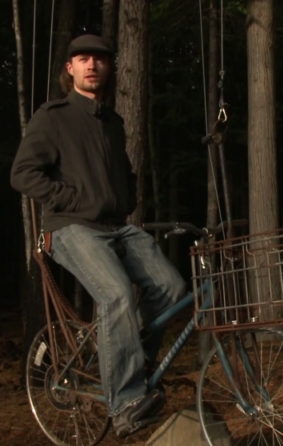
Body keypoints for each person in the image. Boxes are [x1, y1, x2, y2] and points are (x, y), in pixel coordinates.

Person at [10, 34, 185, 438]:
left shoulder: (113, 124)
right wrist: (69, 197)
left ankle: (126, 364)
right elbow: (22, 173)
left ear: (108, 68)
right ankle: (125, 403)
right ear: (69, 68)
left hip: (116, 226)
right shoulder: (52, 116)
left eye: (100, 59)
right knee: (117, 294)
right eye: (82, 59)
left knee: (172, 288)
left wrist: (128, 194)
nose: (92, 65)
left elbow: (125, 172)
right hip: (70, 227)